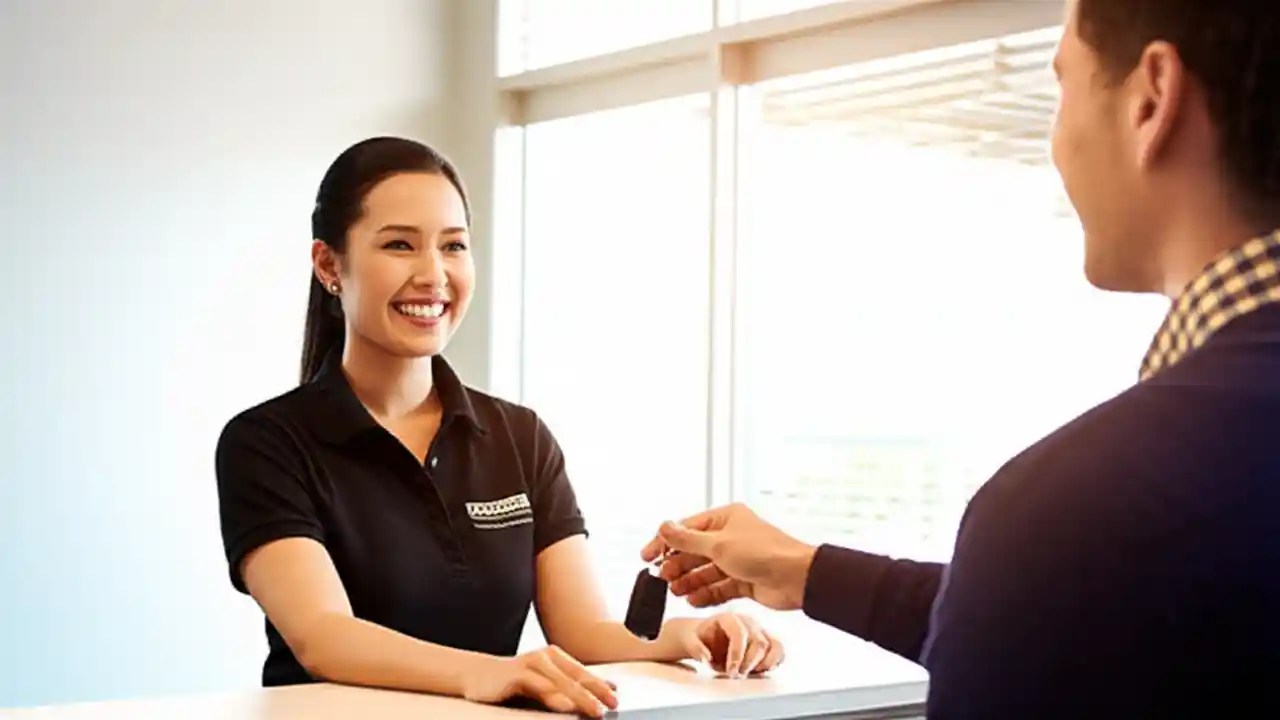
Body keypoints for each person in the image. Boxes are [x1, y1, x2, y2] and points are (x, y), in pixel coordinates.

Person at [643, 0, 1280, 717]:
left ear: (1151, 99)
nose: (1057, 139)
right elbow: (1084, 619)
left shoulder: (1084, 506)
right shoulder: (1124, 534)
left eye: (1063, 87)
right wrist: (811, 572)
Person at [214, 136, 784, 719]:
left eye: (454, 246)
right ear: (329, 265)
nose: (433, 274)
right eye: (399, 245)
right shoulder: (265, 443)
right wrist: (490, 672)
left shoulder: (519, 436)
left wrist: (683, 639)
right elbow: (324, 637)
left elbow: (583, 630)